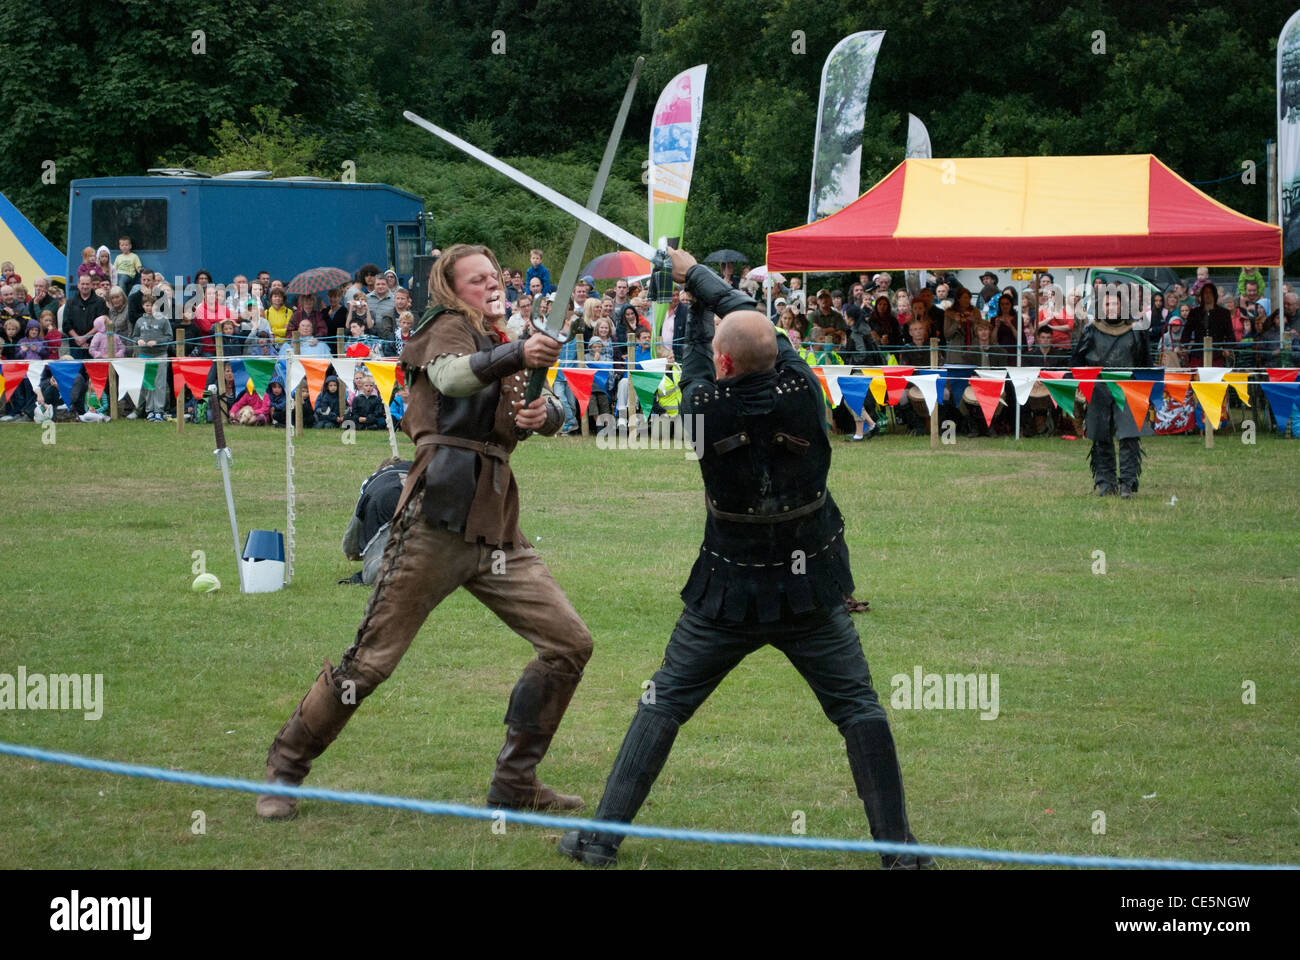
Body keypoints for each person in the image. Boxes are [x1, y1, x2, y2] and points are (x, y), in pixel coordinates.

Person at [558, 248, 930, 870]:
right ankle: (901, 855)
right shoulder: (804, 389)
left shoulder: (702, 408)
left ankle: (599, 841)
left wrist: (687, 298)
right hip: (811, 588)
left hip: (727, 592)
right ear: (777, 353)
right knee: (858, 708)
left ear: (724, 363)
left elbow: (697, 360)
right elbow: (756, 325)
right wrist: (698, 277)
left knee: (663, 703)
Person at [256, 243, 592, 820]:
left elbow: (541, 407)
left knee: (569, 644)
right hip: (435, 517)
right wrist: (518, 351)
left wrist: (548, 413)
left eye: (494, 275)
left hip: (496, 526)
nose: (491, 284)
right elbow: (453, 378)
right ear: (450, 290)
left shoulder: (503, 338)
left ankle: (515, 780)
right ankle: (285, 769)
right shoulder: (445, 328)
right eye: (476, 279)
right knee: (370, 662)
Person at [1071, 291, 1150, 498]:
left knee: (1129, 436)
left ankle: (1127, 484)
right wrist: (1081, 383)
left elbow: (1146, 364)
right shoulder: (1090, 331)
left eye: (1115, 303)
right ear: (1101, 307)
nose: (1111, 308)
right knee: (1101, 437)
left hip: (1129, 388)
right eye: (1107, 304)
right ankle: (1106, 483)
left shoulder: (1136, 331)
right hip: (1099, 388)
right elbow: (1076, 361)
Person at [340, 457, 414, 585]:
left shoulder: (373, 481)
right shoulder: (414, 467)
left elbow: (352, 538)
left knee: (373, 572)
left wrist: (353, 552)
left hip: (387, 499)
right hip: (424, 494)